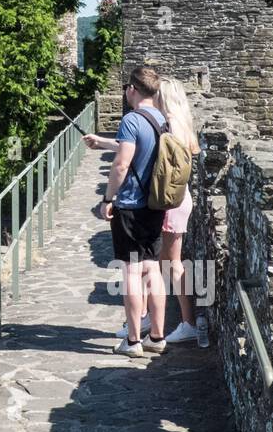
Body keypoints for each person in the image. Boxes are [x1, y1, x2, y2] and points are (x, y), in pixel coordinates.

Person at [83, 66, 167, 358]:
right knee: (153, 269)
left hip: (130, 205)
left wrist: (108, 198)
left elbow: (121, 164)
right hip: (155, 206)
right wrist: (103, 142)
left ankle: (133, 341)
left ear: (132, 89)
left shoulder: (131, 120)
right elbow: (141, 150)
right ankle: (157, 335)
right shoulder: (160, 119)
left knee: (131, 271)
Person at [155, 78, 201, 344]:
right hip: (181, 197)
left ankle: (187, 322)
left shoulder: (170, 123)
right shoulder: (183, 121)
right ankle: (158, 318)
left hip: (172, 200)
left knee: (171, 265)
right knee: (164, 263)